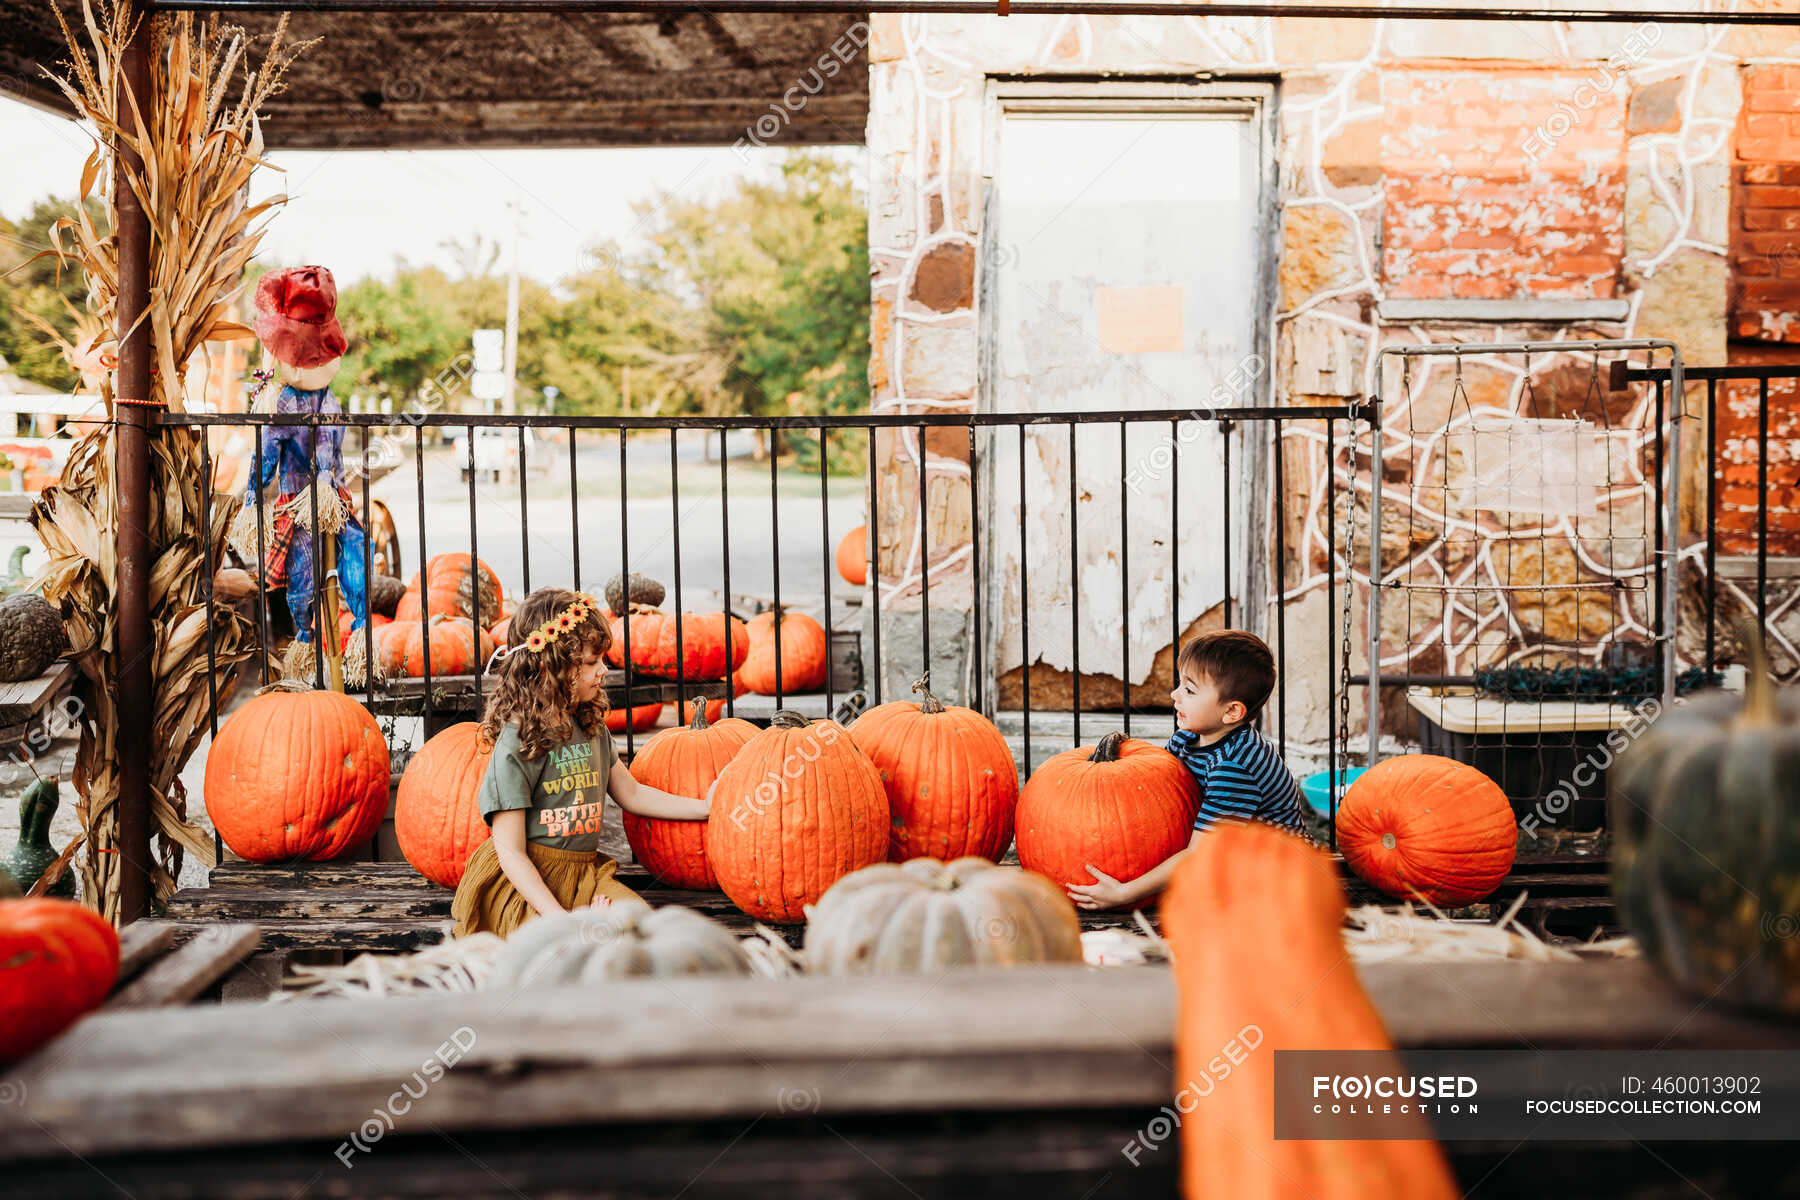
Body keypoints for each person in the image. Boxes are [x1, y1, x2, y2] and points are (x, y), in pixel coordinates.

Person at [451, 587, 713, 937]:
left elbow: (632, 793)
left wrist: (705, 807)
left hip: (583, 877)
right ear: (550, 668)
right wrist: (561, 919)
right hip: (528, 888)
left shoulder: (590, 726)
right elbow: (510, 852)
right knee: (569, 951)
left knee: (638, 928)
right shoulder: (520, 742)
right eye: (591, 662)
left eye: (602, 660)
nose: (603, 671)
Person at [1067, 629, 1305, 911]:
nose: (1174, 694)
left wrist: (1124, 893)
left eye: (1189, 690)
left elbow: (1201, 854)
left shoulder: (1234, 766)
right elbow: (1160, 792)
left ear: (1231, 712)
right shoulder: (1187, 737)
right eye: (1180, 684)